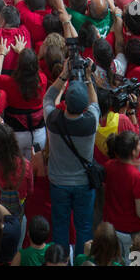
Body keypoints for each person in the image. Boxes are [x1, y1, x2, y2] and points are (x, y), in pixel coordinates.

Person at [43, 61, 100, 257]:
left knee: (60, 227)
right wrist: (88, 79)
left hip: (58, 182)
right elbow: (95, 103)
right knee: (84, 228)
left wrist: (63, 75)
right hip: (84, 184)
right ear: (83, 106)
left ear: (65, 101)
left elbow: (49, 98)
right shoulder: (91, 123)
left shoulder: (53, 120)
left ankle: (60, 261)